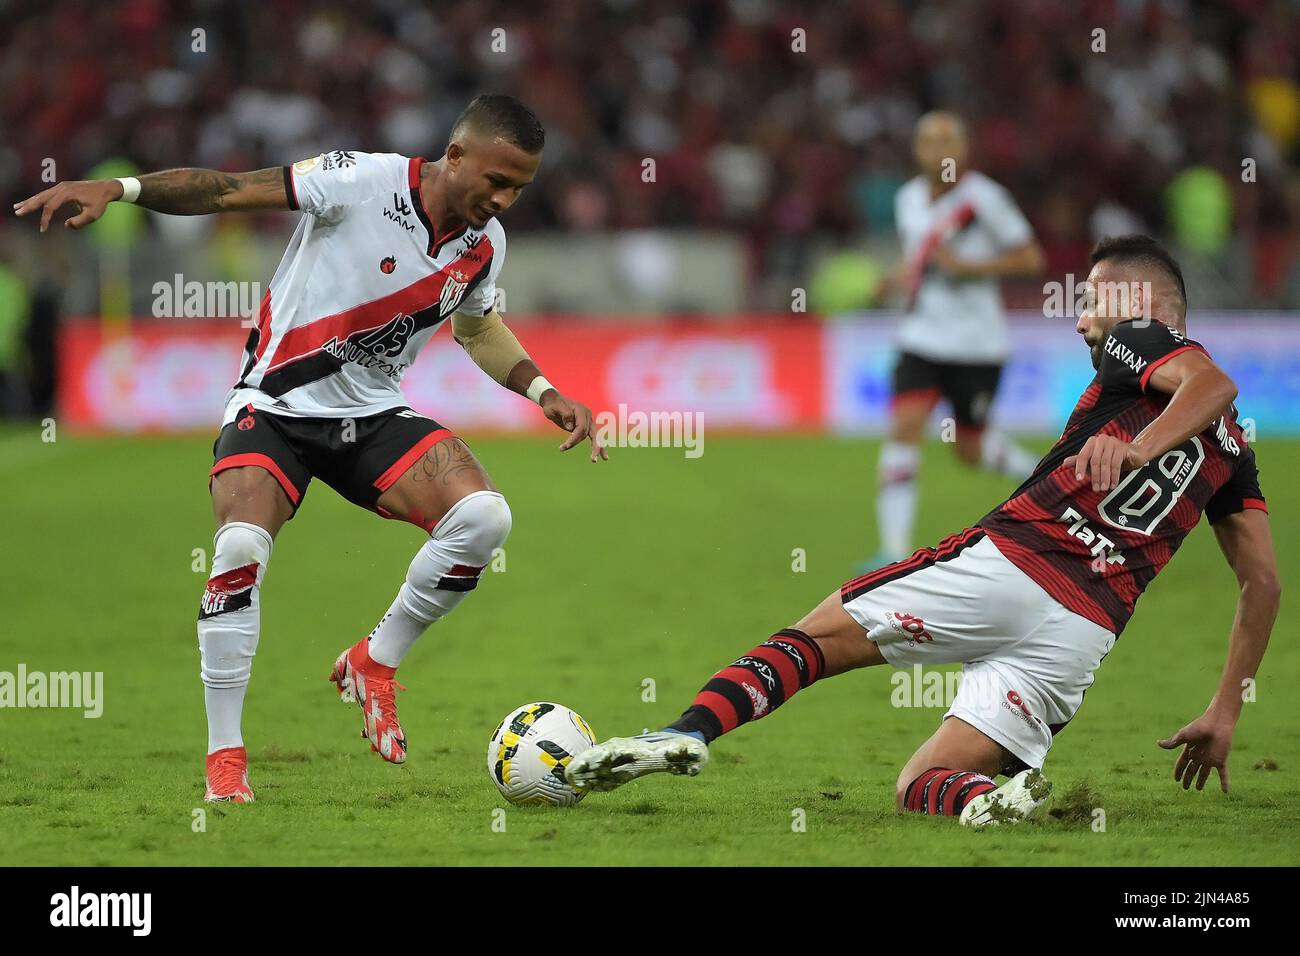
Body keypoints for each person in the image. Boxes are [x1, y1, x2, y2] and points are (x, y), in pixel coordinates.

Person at [15, 94, 608, 804]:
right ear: (455, 156)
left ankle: (374, 661)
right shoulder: (359, 180)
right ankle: (226, 760)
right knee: (238, 550)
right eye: (497, 179)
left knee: (485, 520)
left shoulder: (485, 247)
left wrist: (544, 390)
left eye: (520, 188)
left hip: (372, 415)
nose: (505, 199)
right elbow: (229, 190)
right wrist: (122, 188)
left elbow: (478, 330)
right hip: (275, 407)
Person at [568, 236, 1278, 826]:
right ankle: (991, 803)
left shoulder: (1140, 339)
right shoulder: (1235, 452)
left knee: (811, 641)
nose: (1081, 319)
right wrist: (1224, 708)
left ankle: (685, 731)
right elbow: (1263, 583)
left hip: (1015, 565)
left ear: (1136, 303)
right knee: (921, 784)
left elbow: (1214, 383)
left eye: (1090, 300)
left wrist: (1139, 445)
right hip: (1083, 634)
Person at [874, 111, 1045, 564]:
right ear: (916, 150)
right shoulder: (908, 198)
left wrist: (972, 268)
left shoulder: (987, 199)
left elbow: (1030, 258)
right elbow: (919, 256)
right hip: (920, 338)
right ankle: (891, 552)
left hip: (976, 344)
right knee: (904, 427)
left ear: (964, 149)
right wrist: (892, 282)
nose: (938, 149)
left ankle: (1043, 476)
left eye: (947, 140)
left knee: (969, 450)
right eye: (929, 141)